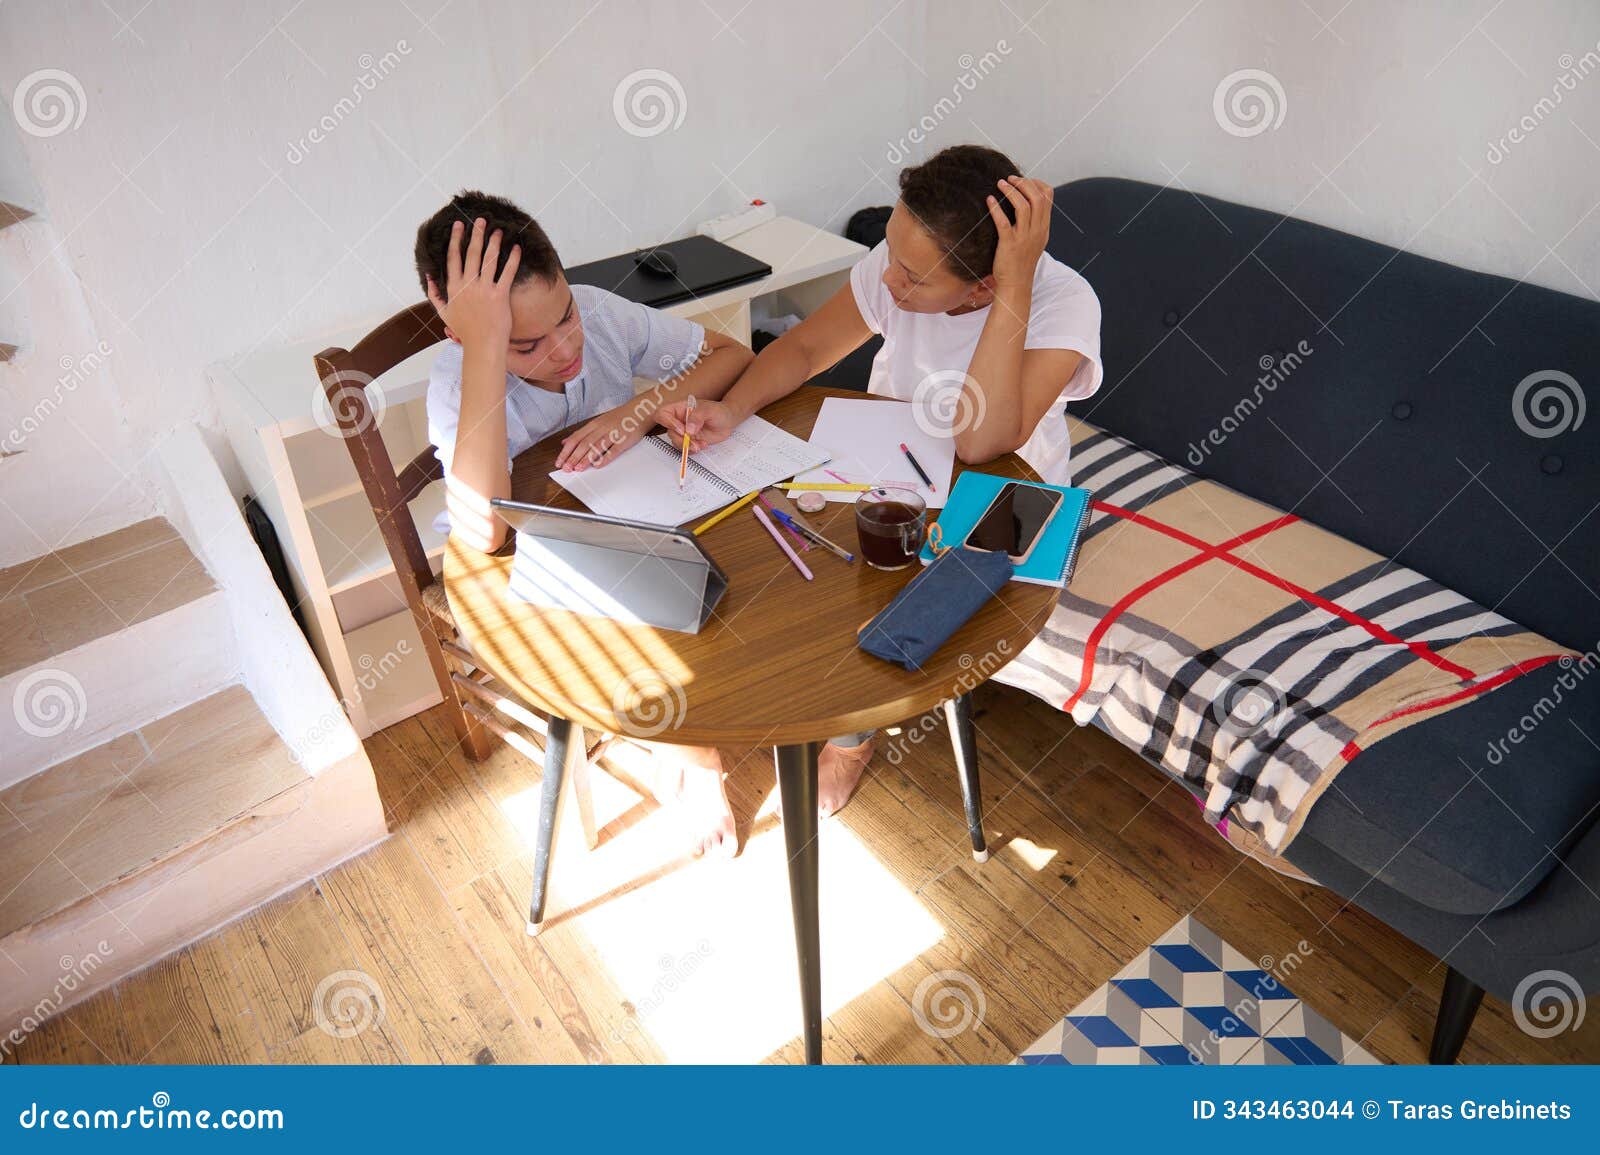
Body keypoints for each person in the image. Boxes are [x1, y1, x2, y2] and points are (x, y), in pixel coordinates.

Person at [657, 145, 1102, 817]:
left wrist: (1014, 287)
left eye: (914, 276)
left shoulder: (1063, 304)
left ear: (984, 286)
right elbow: (806, 348)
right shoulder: (897, 265)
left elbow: (979, 441)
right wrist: (730, 407)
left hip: (1003, 493)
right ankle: (716, 740)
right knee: (793, 574)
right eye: (890, 251)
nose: (888, 278)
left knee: (886, 619)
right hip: (882, 465)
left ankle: (852, 739)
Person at [416, 190, 754, 857]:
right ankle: (695, 752)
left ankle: (686, 727)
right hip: (521, 564)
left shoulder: (597, 313)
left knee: (717, 564)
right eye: (527, 344)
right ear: (462, 330)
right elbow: (485, 530)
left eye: (564, 315)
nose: (566, 349)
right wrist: (483, 350)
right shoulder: (457, 381)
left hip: (627, 513)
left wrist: (637, 411)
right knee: (640, 603)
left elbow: (729, 353)